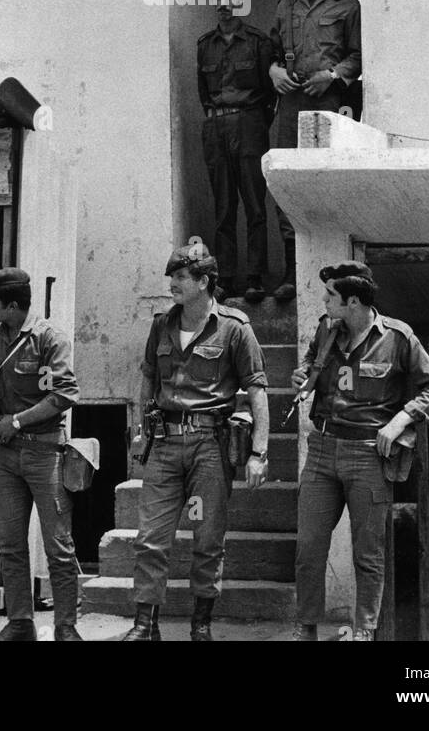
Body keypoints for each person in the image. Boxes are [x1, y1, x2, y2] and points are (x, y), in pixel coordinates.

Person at [291, 263, 429, 641]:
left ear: (353, 301)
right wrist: (302, 376)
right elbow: (310, 362)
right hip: (322, 449)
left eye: (331, 296)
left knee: (368, 552)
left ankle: (364, 632)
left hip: (368, 454)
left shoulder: (397, 337)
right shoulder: (326, 329)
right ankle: (306, 627)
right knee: (309, 546)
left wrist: (400, 422)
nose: (324, 301)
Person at [123, 241, 269, 642]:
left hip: (209, 445)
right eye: (172, 275)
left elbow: (257, 390)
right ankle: (145, 624)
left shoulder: (234, 328)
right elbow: (149, 378)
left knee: (207, 537)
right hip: (166, 445)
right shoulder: (161, 324)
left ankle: (200, 624)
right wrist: (139, 431)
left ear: (204, 282)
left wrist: (259, 452)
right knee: (151, 538)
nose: (172, 283)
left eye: (181, 277)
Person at [0, 267, 81, 642]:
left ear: (11, 305)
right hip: (6, 456)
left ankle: (65, 626)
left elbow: (65, 394)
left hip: (46, 452)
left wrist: (17, 422)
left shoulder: (49, 338)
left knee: (58, 546)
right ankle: (21, 623)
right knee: (10, 543)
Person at [270, 0, 362, 301]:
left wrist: (333, 75)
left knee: (326, 182)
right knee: (286, 181)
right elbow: (273, 53)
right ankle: (294, 272)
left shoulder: (347, 6)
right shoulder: (284, 6)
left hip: (328, 105)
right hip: (291, 105)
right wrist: (274, 71)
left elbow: (358, 56)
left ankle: (333, 270)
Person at [197, 0, 276, 302]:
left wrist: (255, 122)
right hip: (217, 127)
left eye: (230, 0)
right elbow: (203, 92)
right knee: (223, 207)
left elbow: (270, 94)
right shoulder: (205, 45)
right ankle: (226, 278)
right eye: (218, 0)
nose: (224, 5)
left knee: (255, 205)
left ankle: (255, 277)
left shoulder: (258, 42)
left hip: (249, 124)